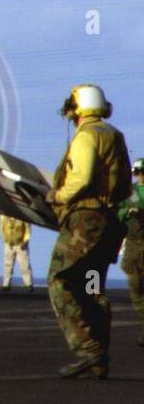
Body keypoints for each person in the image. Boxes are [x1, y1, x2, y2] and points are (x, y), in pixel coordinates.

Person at [45, 84, 131, 380]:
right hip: (110, 222)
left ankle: (87, 349)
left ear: (78, 108)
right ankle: (99, 358)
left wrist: (57, 196)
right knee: (93, 288)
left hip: (85, 220)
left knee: (60, 280)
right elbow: (126, 184)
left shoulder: (86, 136)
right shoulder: (114, 135)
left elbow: (81, 176)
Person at [115, 157, 144, 348]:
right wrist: (128, 211)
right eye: (138, 172)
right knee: (136, 288)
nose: (140, 176)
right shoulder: (130, 192)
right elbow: (119, 212)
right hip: (134, 245)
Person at [0, 215, 33, 292]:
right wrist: (5, 240)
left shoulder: (22, 216)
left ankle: (29, 284)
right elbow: (2, 228)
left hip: (21, 244)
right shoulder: (3, 216)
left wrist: (25, 240)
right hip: (9, 244)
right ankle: (6, 285)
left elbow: (28, 228)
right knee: (7, 265)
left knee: (24, 265)